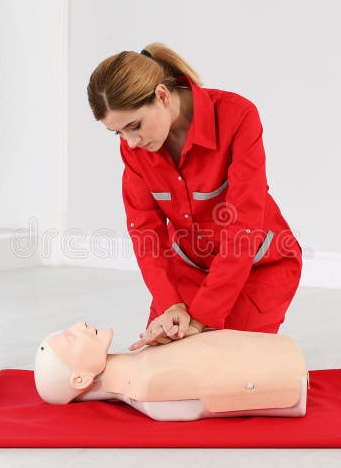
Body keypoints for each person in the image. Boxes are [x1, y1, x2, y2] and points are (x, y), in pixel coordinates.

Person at [87, 43, 303, 350]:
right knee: (164, 361)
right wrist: (171, 304)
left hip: (259, 266)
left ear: (162, 96)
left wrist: (201, 317)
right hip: (188, 270)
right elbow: (145, 230)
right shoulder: (134, 148)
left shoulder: (237, 116)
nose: (130, 143)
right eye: (118, 132)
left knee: (221, 364)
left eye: (134, 126)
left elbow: (243, 226)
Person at [34, 321, 308, 421]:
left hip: (283, 362)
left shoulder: (143, 372)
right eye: (71, 338)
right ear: (79, 378)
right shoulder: (146, 386)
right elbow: (219, 397)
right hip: (288, 377)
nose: (80, 325)